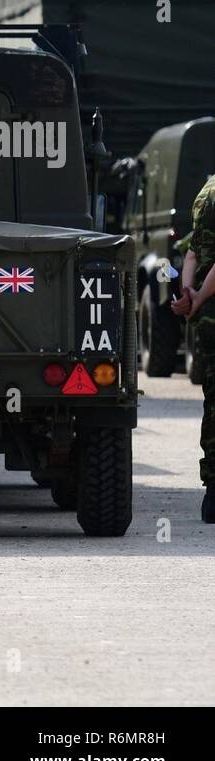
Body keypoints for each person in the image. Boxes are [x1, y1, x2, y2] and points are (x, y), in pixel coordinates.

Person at [170, 174, 215, 523]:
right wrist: (199, 296)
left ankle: (212, 493)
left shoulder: (206, 191)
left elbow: (192, 253)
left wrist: (189, 295)